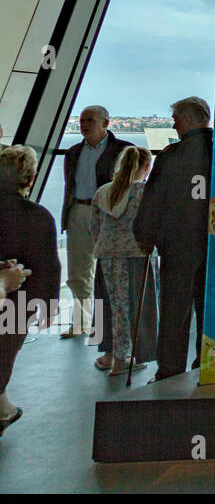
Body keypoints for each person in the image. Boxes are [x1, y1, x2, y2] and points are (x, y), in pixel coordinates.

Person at [134, 97, 213, 381]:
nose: (174, 124)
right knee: (210, 309)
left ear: (190, 120)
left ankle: (169, 369)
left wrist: (144, 236)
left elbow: (152, 200)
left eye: (177, 119)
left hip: (178, 244)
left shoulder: (170, 156)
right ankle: (207, 365)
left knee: (174, 312)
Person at [0, 146, 60, 435]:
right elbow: (49, 265)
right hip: (20, 302)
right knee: (5, 354)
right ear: (30, 178)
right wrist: (49, 304)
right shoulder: (39, 216)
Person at [61, 105, 128, 344]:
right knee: (78, 272)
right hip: (78, 211)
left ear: (106, 123)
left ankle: (112, 326)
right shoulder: (72, 153)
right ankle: (80, 323)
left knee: (112, 270)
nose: (84, 125)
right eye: (82, 120)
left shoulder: (123, 151)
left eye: (90, 120)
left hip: (108, 214)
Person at [92, 147, 157, 375]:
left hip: (106, 255)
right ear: (147, 167)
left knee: (113, 306)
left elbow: (95, 228)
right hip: (135, 255)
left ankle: (112, 355)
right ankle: (122, 361)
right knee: (132, 308)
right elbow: (150, 225)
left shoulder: (104, 191)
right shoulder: (143, 192)